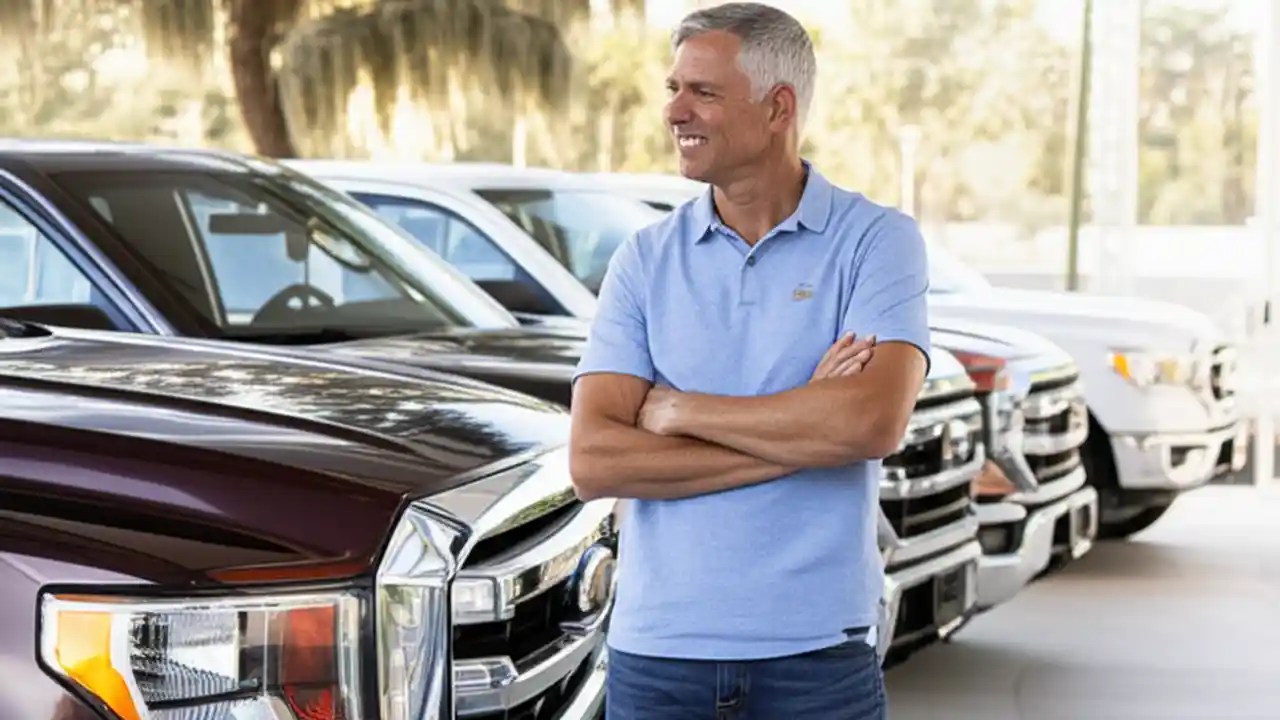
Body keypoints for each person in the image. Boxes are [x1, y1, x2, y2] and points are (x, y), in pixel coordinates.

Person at [568, 3, 931, 718]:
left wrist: (681, 410)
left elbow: (870, 423)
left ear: (778, 107)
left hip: (818, 655)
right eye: (672, 88)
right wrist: (802, 434)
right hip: (659, 656)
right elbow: (596, 460)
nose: (675, 110)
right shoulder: (644, 258)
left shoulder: (876, 242)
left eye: (702, 91)